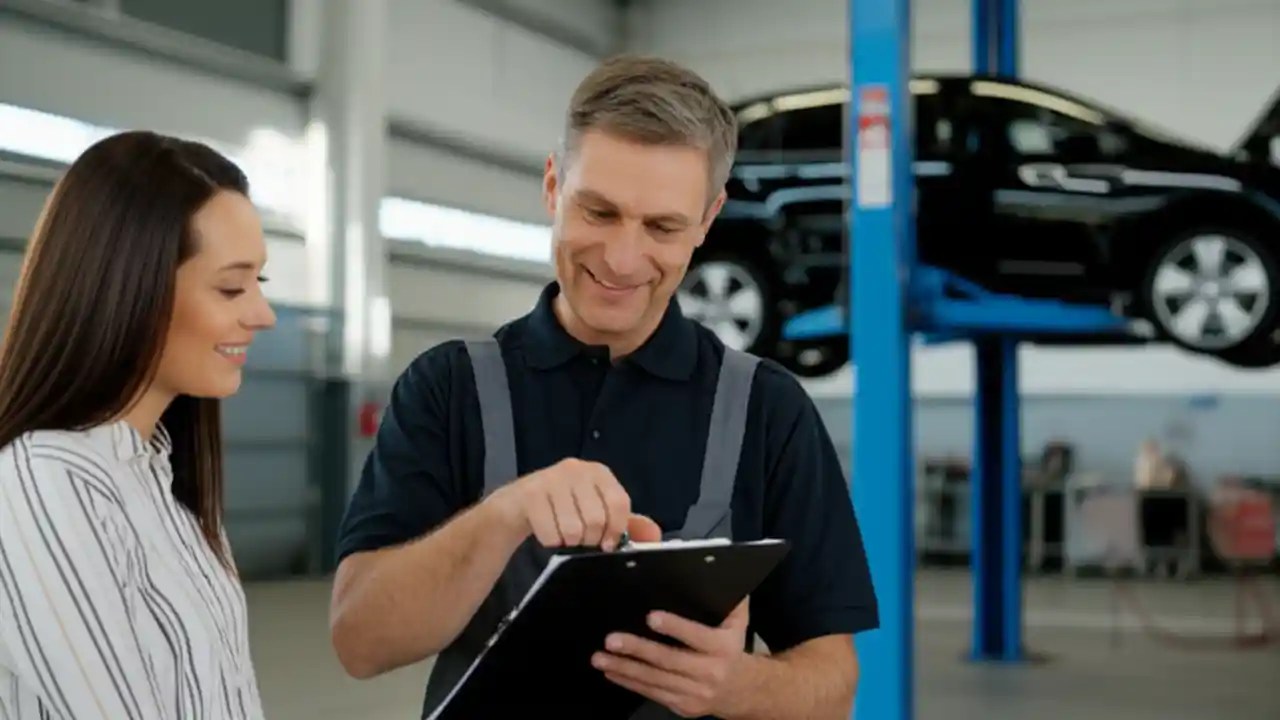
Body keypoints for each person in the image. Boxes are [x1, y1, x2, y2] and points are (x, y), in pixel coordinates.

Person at [330, 54, 878, 719]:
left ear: (707, 220)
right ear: (553, 186)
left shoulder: (769, 411)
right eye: (599, 212)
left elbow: (833, 686)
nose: (621, 259)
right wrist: (504, 515)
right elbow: (360, 641)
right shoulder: (448, 388)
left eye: (662, 227)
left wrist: (736, 685)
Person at [0, 130, 276, 719]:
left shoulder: (163, 483)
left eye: (260, 282)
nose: (262, 313)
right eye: (231, 287)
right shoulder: (48, 482)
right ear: (130, 288)